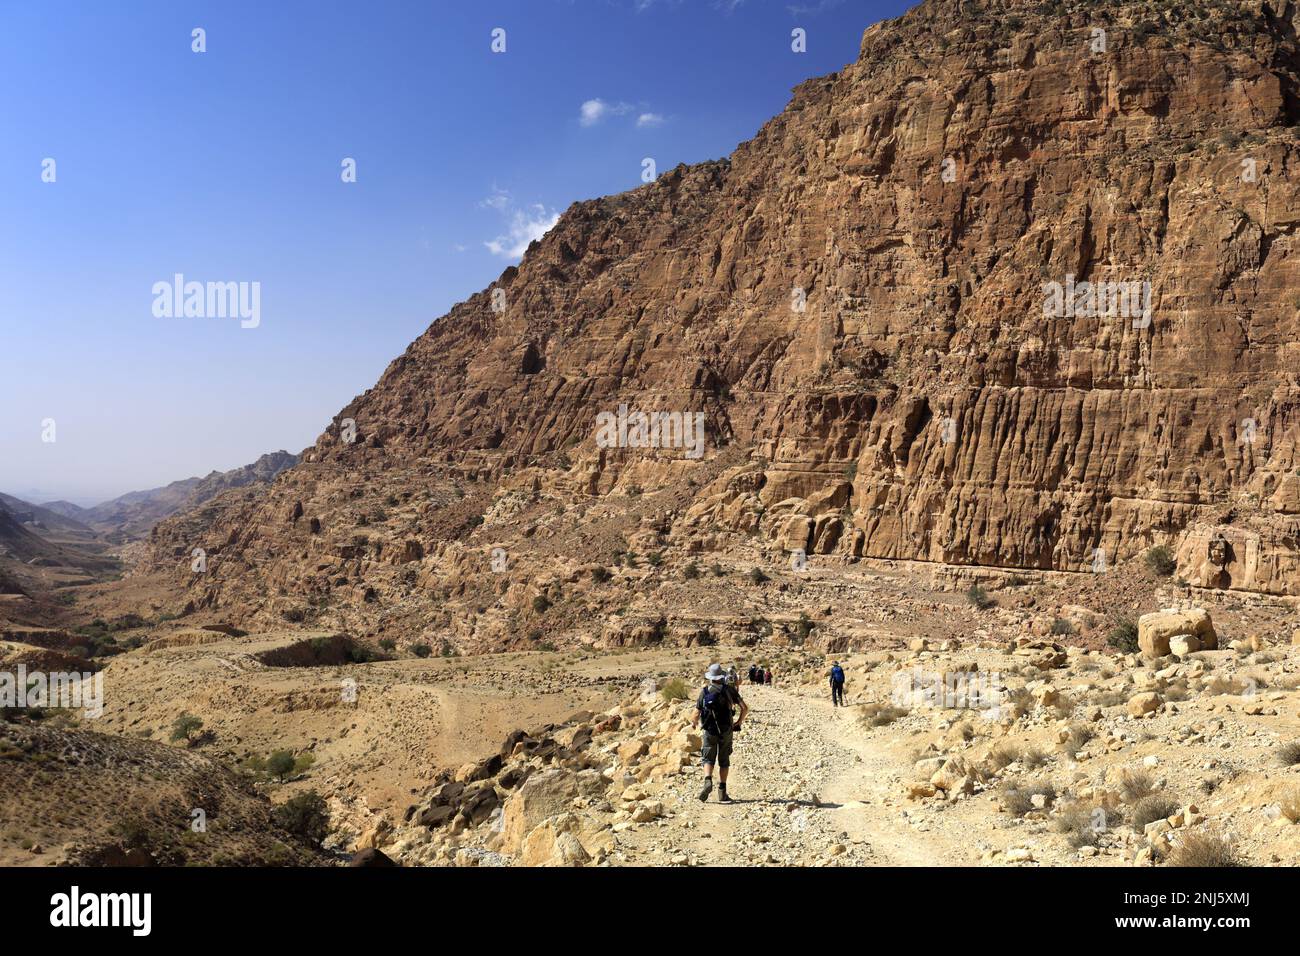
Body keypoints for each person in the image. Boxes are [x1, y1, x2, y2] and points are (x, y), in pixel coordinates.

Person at [693, 663, 748, 803]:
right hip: (726, 730)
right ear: (721, 676)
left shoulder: (704, 691)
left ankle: (707, 781)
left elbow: (696, 712)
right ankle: (722, 793)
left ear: (710, 677)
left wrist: (694, 723)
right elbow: (744, 708)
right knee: (724, 760)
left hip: (709, 729)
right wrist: (739, 722)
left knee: (708, 758)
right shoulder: (729, 690)